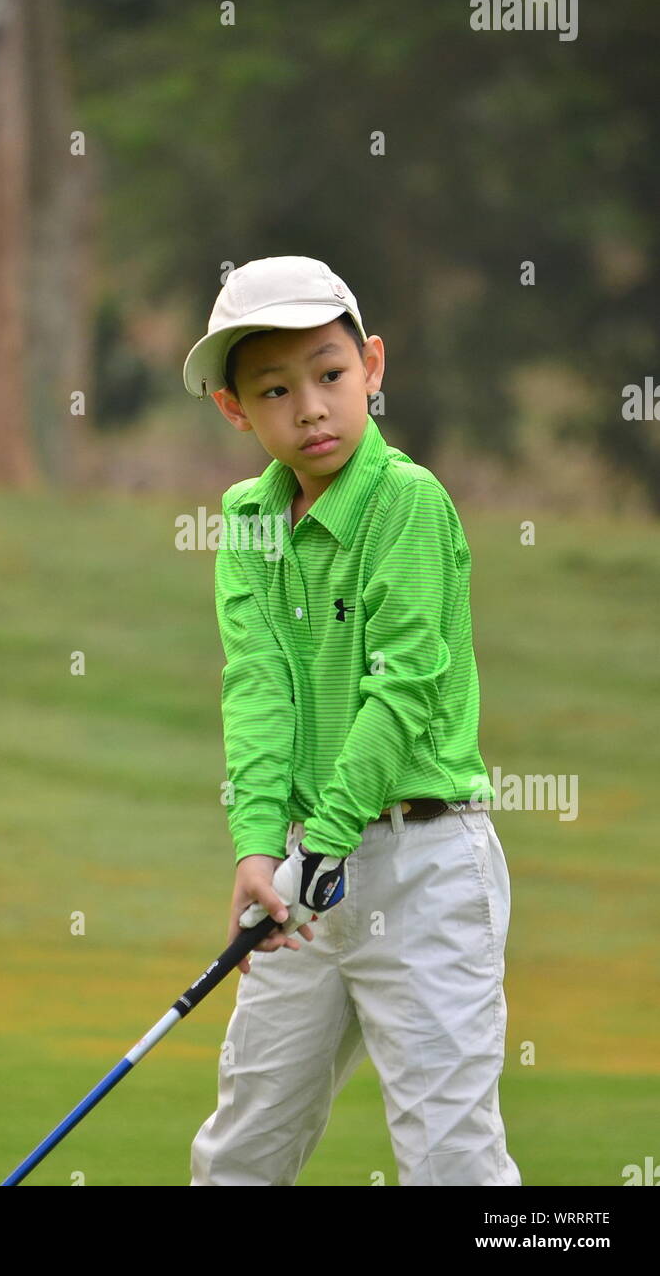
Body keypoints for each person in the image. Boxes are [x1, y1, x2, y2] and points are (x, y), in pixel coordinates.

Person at [181, 255, 522, 1187]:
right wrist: (260, 847)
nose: (311, 408)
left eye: (330, 376)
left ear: (371, 366)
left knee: (450, 1157)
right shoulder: (248, 519)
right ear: (235, 410)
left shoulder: (408, 503)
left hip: (426, 868)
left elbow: (403, 689)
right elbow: (256, 688)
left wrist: (322, 841)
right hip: (301, 875)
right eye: (275, 389)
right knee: (242, 1150)